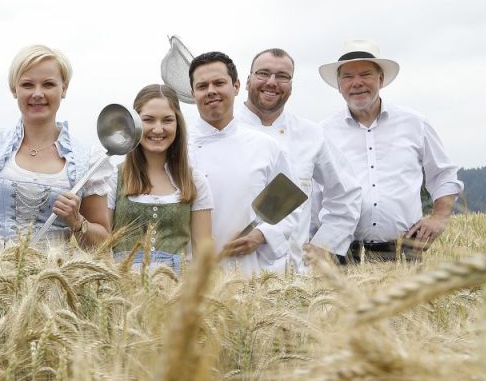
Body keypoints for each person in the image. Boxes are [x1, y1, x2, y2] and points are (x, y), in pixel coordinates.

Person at [317, 41, 462, 262]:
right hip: (340, 255)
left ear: (381, 79)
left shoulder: (414, 123)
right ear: (339, 85)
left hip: (403, 252)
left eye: (365, 74)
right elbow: (312, 193)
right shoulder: (322, 133)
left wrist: (439, 217)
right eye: (347, 77)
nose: (357, 83)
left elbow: (444, 174)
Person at [234, 48, 361, 270]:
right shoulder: (225, 130)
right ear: (247, 81)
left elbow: (346, 193)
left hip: (292, 276)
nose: (272, 82)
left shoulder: (311, 134)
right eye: (263, 73)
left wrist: (323, 246)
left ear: (291, 86)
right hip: (229, 275)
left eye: (282, 76)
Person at [0, 45, 112, 249]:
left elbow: (104, 241)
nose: (37, 94)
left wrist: (77, 222)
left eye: (48, 84)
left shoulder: (90, 160)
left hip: (58, 278)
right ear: (14, 89)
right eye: (27, 85)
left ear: (64, 88)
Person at [186, 51, 297, 276]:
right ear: (192, 93)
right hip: (187, 275)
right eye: (202, 86)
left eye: (219, 83)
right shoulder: (178, 148)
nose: (211, 91)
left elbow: (287, 209)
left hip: (246, 274)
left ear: (236, 86)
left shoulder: (266, 147)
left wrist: (261, 235)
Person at [109, 84, 213, 272]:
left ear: (177, 124)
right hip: (121, 292)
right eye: (148, 120)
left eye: (167, 120)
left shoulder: (195, 181)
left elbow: (202, 256)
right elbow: (101, 245)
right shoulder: (113, 178)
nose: (158, 129)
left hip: (175, 292)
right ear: (135, 124)